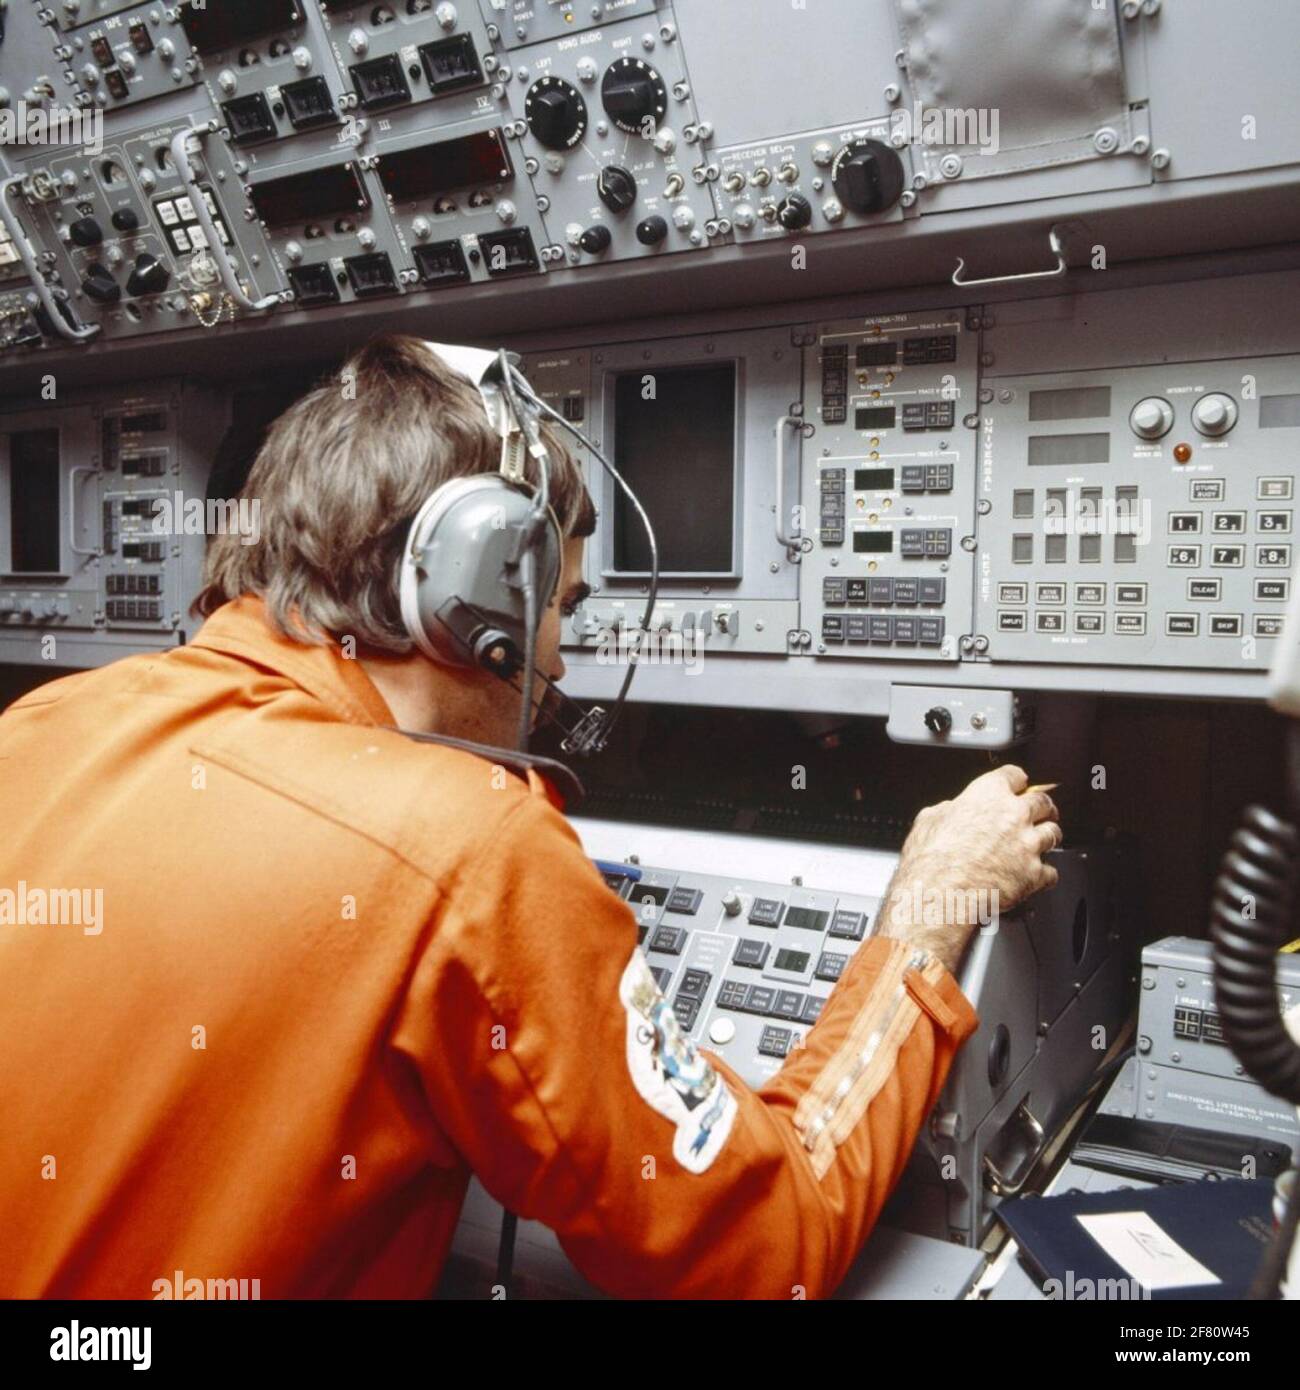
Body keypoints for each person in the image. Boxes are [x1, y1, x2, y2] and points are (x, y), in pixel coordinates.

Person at [0, 335, 1061, 1299]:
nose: (555, 662)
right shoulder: (465, 845)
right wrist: (924, 917)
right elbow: (761, 1249)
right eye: (558, 609)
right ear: (471, 597)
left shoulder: (41, 724)